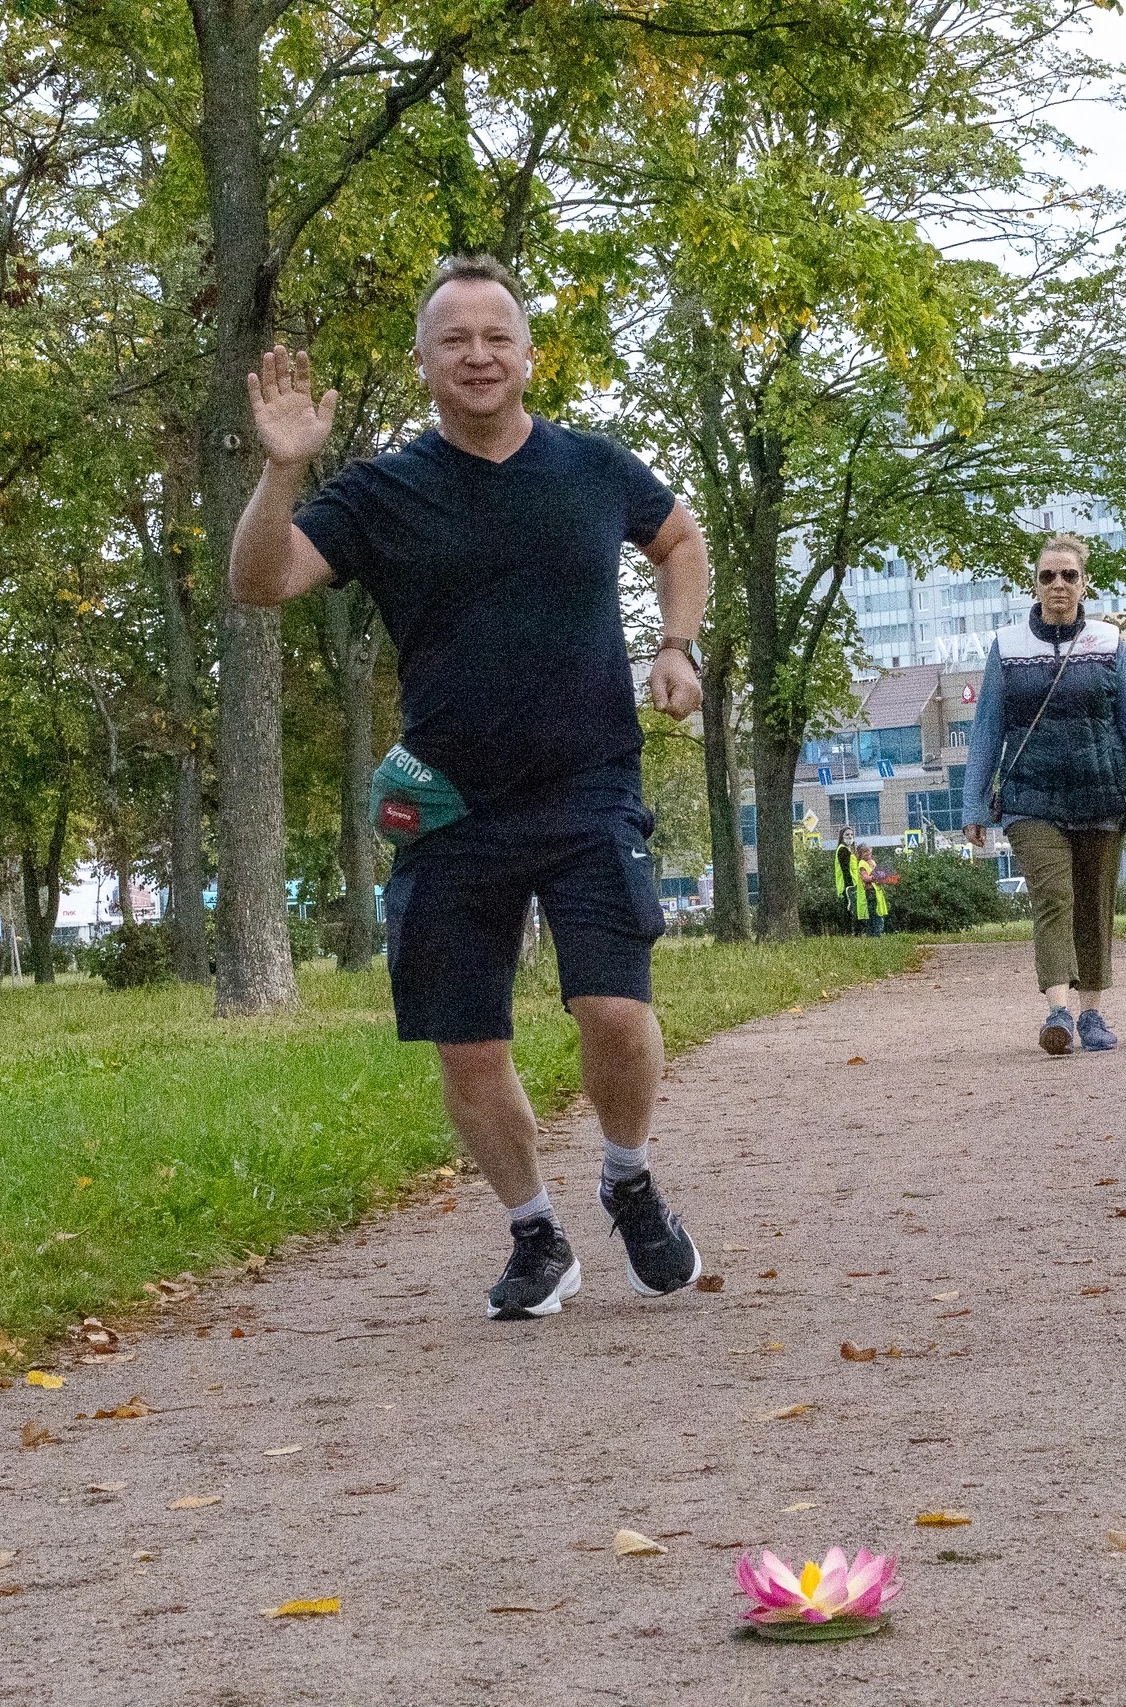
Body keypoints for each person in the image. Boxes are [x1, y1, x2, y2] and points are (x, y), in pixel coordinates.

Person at [228, 254, 711, 1322]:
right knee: (467, 1039)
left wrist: (677, 645)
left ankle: (627, 1176)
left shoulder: (591, 469)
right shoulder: (383, 492)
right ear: (425, 364)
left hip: (588, 785)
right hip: (446, 804)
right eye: (455, 340)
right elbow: (259, 582)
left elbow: (677, 536)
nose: (478, 355)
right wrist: (281, 474)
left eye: (496, 336)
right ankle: (536, 1233)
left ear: (529, 356)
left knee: (614, 1011)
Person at [960, 534, 1126, 1056]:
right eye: (1048, 577)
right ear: (1036, 586)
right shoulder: (1008, 646)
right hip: (1031, 799)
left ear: (1084, 583)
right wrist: (975, 804)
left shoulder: (1109, 644)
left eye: (1068, 576)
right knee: (1053, 897)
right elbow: (986, 730)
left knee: (1094, 906)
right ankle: (1058, 1013)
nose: (1058, 585)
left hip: (1102, 795)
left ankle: (1092, 1015)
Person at [834, 827, 890, 936]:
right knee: (851, 911)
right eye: (847, 835)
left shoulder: (849, 850)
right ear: (842, 837)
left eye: (851, 835)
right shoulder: (843, 850)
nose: (850, 837)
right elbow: (846, 871)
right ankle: (852, 934)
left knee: (854, 910)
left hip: (853, 884)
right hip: (848, 885)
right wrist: (850, 886)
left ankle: (855, 934)